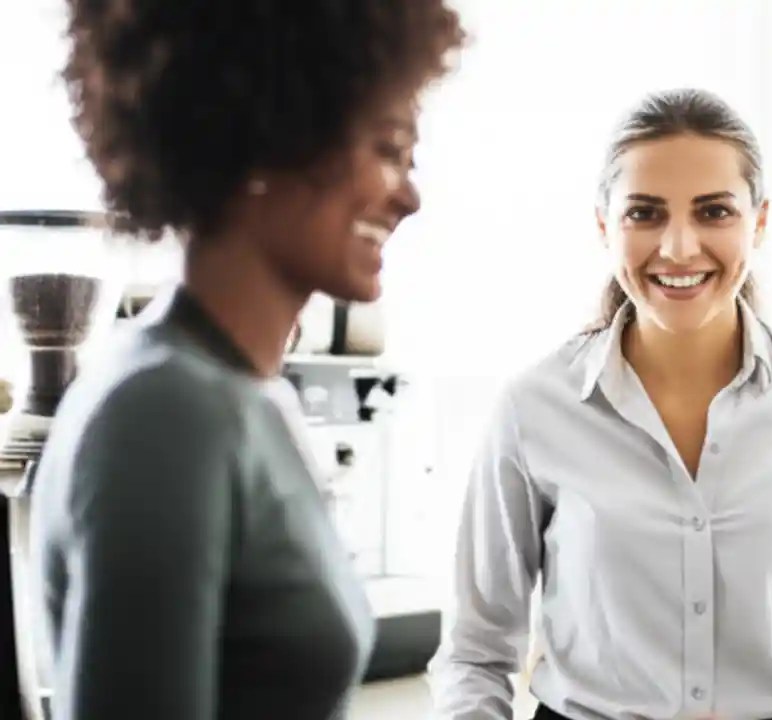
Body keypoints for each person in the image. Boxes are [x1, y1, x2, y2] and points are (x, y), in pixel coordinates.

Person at [432, 88, 772, 720]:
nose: (677, 248)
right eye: (644, 213)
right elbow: (474, 654)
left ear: (761, 221)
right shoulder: (535, 406)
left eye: (714, 212)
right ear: (603, 227)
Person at [32, 2, 463, 718]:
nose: (409, 198)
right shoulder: (163, 414)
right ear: (274, 137)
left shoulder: (249, 393)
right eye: (389, 150)